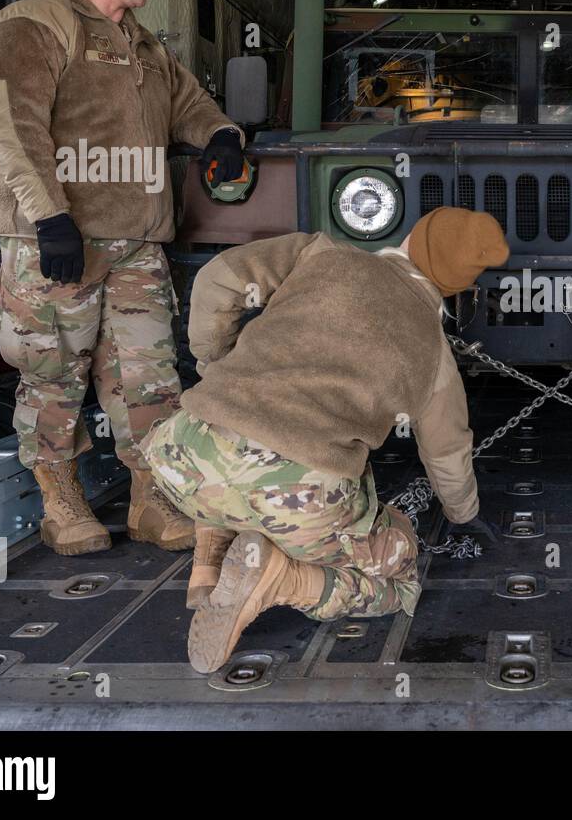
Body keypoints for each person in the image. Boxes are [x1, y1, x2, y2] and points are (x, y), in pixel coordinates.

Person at [0, 0, 248, 556]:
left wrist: (222, 137)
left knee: (150, 380)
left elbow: (190, 104)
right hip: (56, 238)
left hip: (135, 245)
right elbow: (9, 125)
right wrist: (49, 216)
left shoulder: (145, 47)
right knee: (53, 373)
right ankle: (60, 503)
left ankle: (151, 501)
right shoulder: (32, 25)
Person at [141, 208, 509, 674]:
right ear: (460, 288)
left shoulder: (320, 252)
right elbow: (446, 452)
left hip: (179, 458)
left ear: (414, 234)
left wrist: (214, 368)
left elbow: (218, 277)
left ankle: (210, 556)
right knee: (400, 577)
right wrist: (463, 515)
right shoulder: (433, 353)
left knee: (227, 471)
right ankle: (282, 580)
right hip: (295, 500)